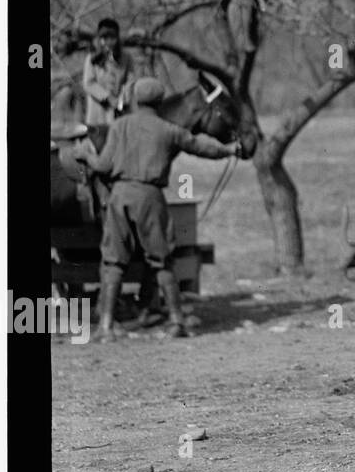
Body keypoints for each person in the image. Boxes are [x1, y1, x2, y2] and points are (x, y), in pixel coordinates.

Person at [77, 77, 242, 340]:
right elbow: (201, 147)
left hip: (120, 196)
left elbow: (104, 166)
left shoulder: (119, 127)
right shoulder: (169, 130)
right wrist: (230, 150)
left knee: (112, 261)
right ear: (159, 101)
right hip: (150, 197)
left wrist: (87, 156)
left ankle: (105, 326)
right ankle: (176, 321)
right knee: (162, 259)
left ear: (136, 100)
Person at [82, 17, 136, 128]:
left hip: (120, 114)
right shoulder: (92, 59)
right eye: (104, 38)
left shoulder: (126, 57)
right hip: (98, 116)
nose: (108, 42)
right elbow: (88, 83)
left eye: (112, 38)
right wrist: (107, 97)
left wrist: (121, 99)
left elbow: (130, 81)